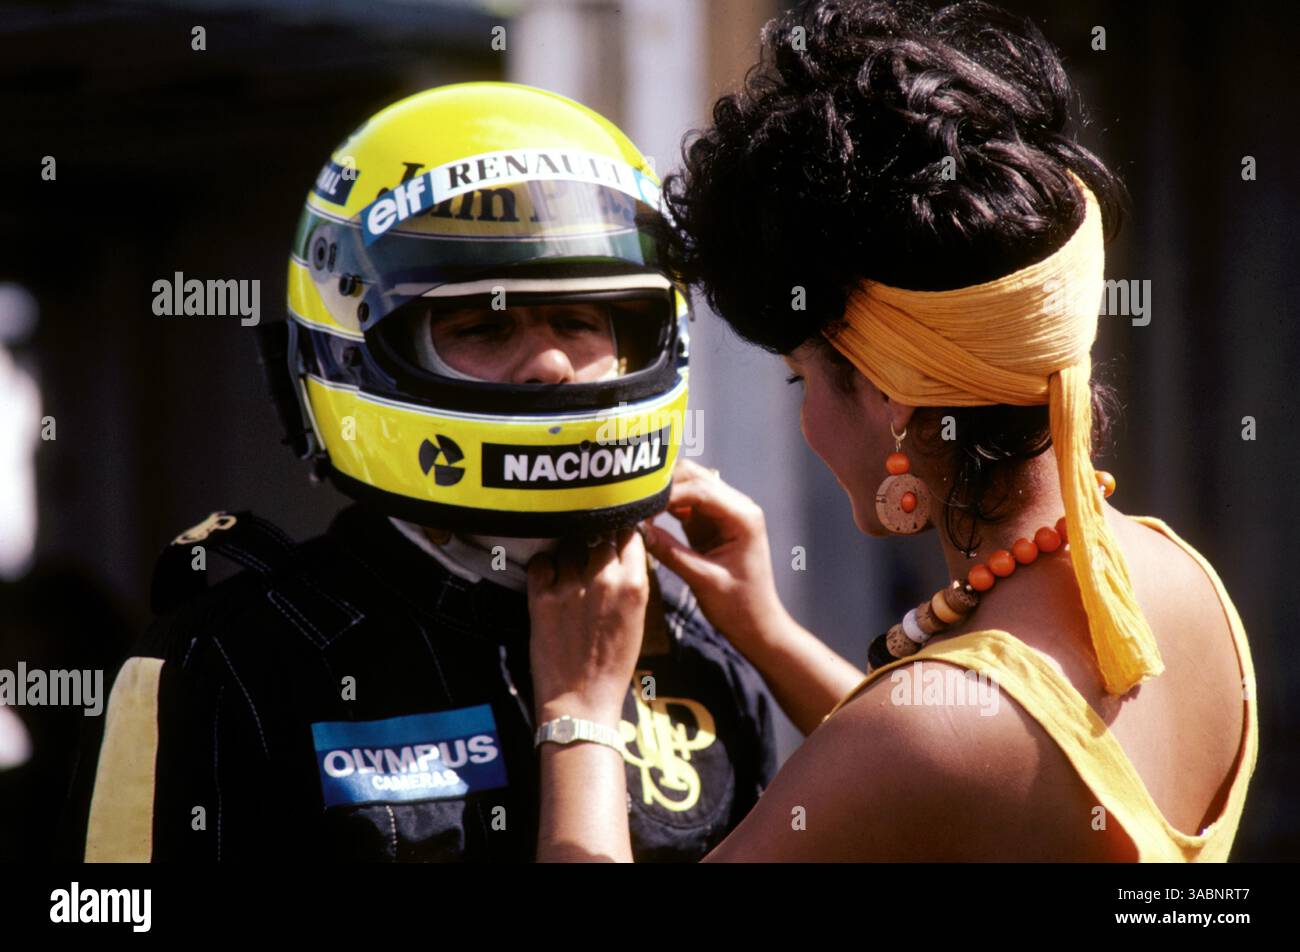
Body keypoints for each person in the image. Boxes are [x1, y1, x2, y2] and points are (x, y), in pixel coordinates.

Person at [528, 0, 1258, 862]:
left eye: (803, 376)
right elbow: (980, 786)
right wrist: (767, 633)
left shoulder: (927, 737)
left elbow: (935, 758)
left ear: (892, 398)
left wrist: (578, 709)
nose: (804, 418)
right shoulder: (1179, 579)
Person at [62, 82, 777, 862]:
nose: (549, 365)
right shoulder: (227, 661)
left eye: (579, 319)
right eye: (483, 324)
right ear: (357, 350)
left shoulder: (703, 644)